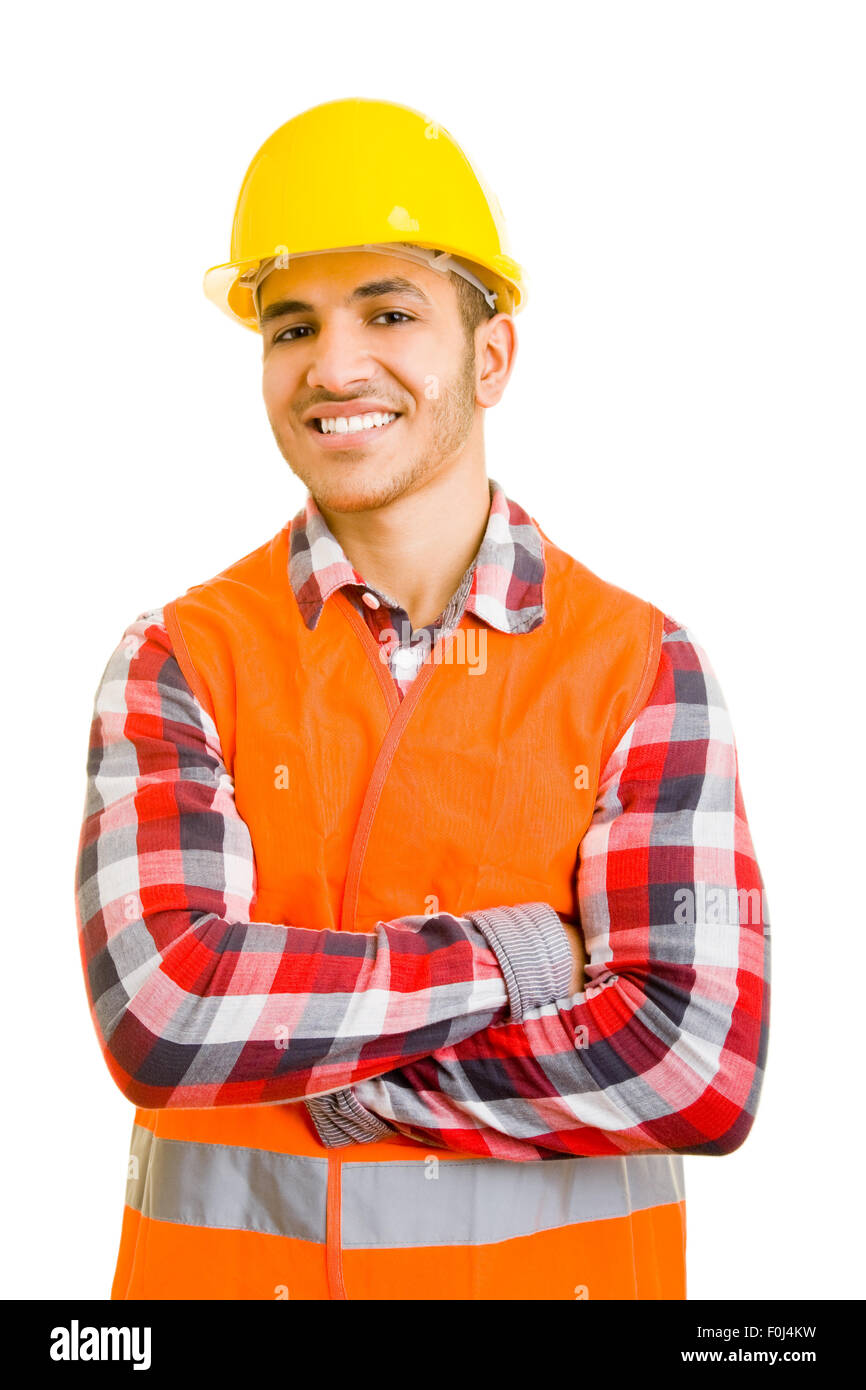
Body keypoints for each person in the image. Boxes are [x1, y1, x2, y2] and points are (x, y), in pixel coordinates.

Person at [74, 96, 770, 1301]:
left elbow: (693, 1064)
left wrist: (353, 1084)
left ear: (489, 357)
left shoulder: (638, 665)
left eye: (388, 312)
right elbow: (166, 1015)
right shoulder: (180, 658)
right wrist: (518, 957)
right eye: (291, 326)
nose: (335, 366)